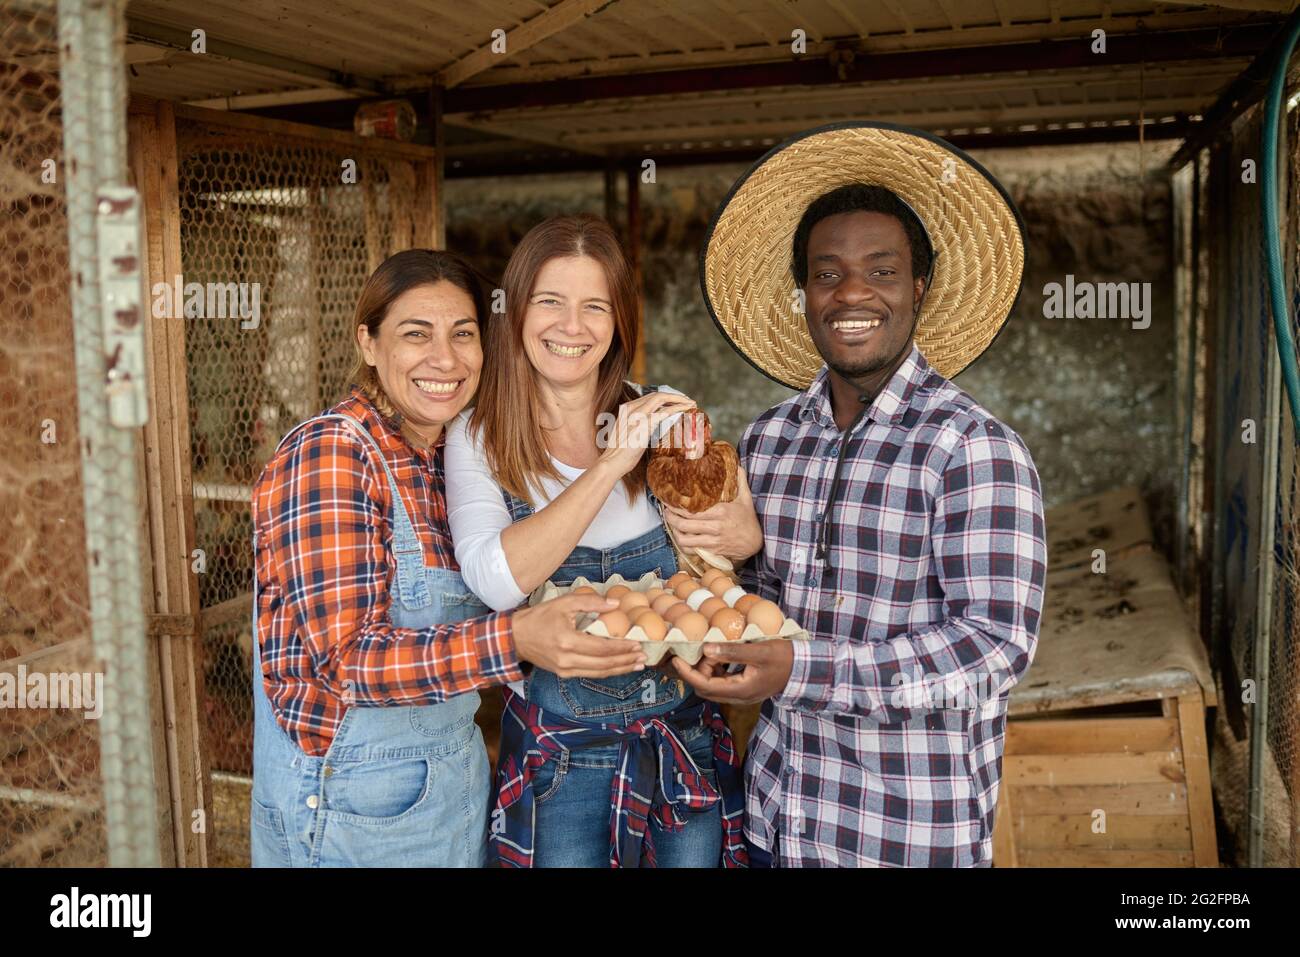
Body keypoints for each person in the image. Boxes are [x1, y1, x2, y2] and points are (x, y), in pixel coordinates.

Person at [667, 122, 1048, 867]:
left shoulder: (972, 448)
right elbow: (759, 600)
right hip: (778, 818)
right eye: (826, 272)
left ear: (920, 289)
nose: (851, 293)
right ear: (803, 291)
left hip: (900, 835)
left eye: (881, 270)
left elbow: (995, 647)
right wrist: (720, 607)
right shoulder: (769, 439)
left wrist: (797, 669)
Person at [249, 248, 638, 868]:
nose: (445, 360)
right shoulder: (331, 453)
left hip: (452, 788)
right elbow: (347, 662)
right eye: (415, 334)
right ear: (368, 343)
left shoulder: (448, 457)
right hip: (354, 809)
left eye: (463, 335)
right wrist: (513, 641)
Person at [445, 215, 747, 868]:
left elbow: (730, 541)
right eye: (551, 301)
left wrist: (740, 534)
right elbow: (496, 580)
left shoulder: (665, 409)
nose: (571, 326)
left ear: (619, 321)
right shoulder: (479, 436)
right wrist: (610, 462)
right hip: (560, 759)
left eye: (594, 306)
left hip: (680, 738)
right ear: (517, 309)